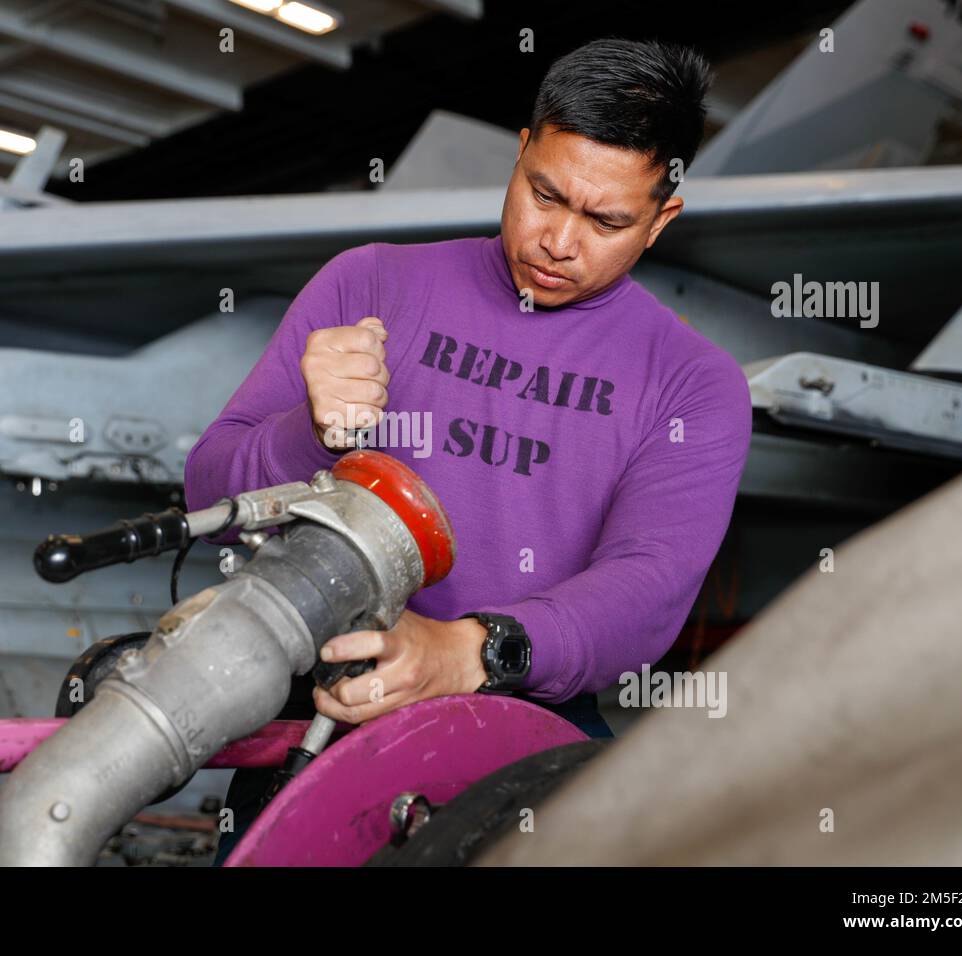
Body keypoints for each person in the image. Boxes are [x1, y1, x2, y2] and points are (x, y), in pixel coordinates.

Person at [184, 38, 751, 862]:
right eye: (543, 194)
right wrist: (308, 433)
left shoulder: (695, 384)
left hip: (532, 720)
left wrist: (472, 651)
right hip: (321, 705)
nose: (558, 240)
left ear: (663, 218)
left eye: (606, 221)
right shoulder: (370, 283)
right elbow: (209, 491)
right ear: (520, 151)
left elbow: (648, 591)